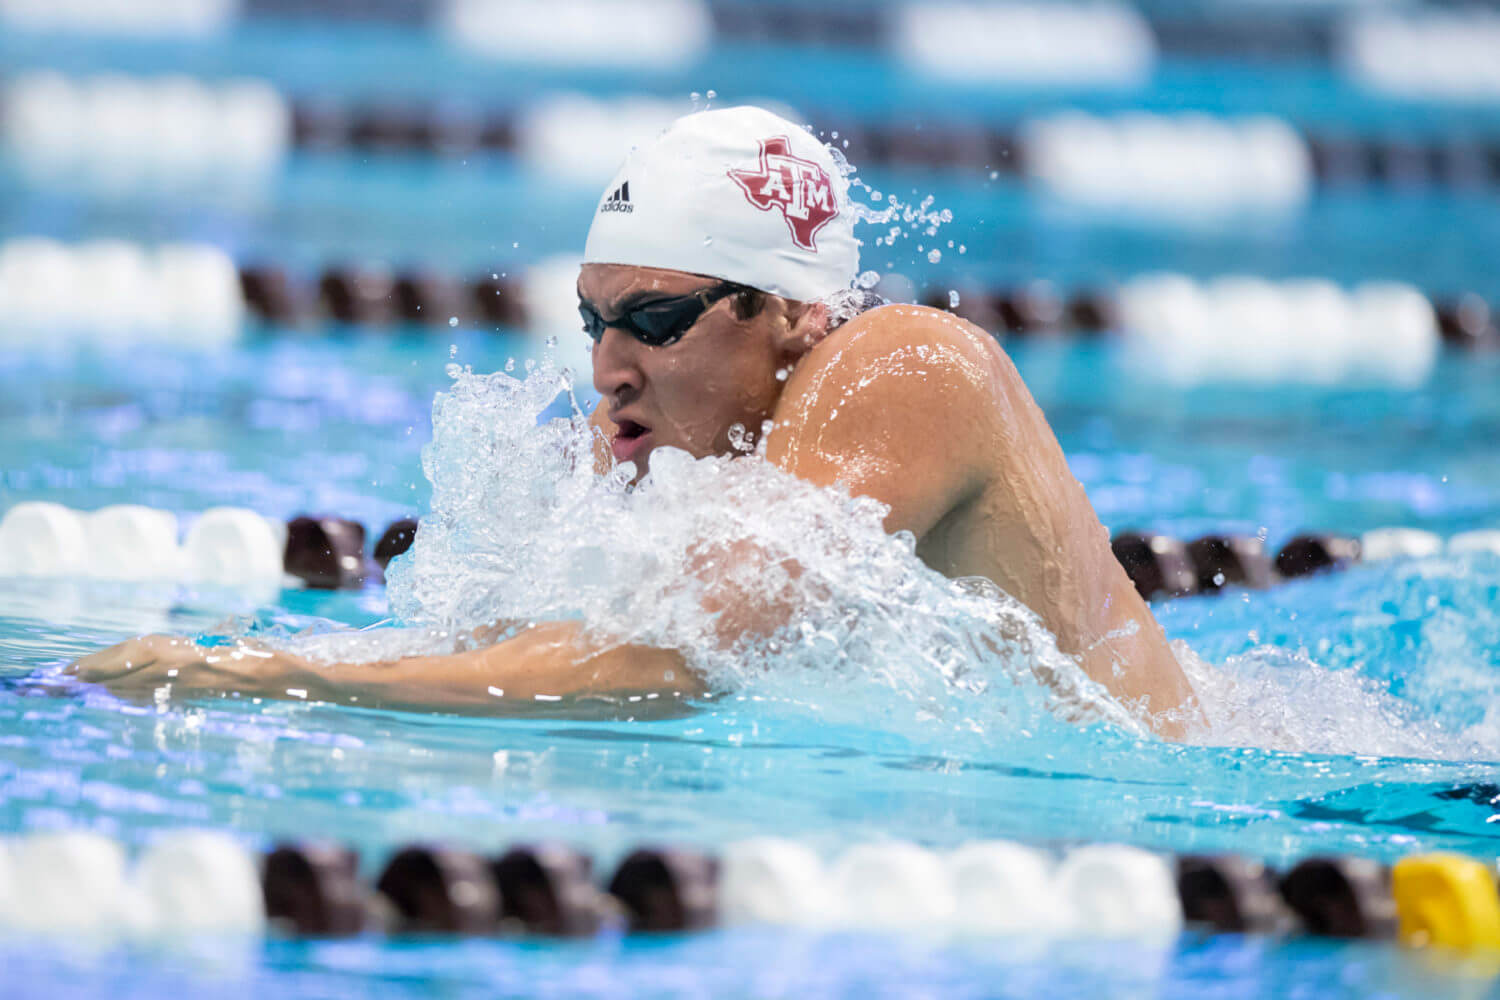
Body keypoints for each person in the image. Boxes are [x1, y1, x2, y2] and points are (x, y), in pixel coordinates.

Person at [70, 107, 1197, 736]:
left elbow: (672, 660)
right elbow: (498, 646)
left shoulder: (906, 366)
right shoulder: (683, 463)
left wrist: (282, 677)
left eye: (655, 318)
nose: (608, 367)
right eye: (593, 321)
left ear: (795, 314)